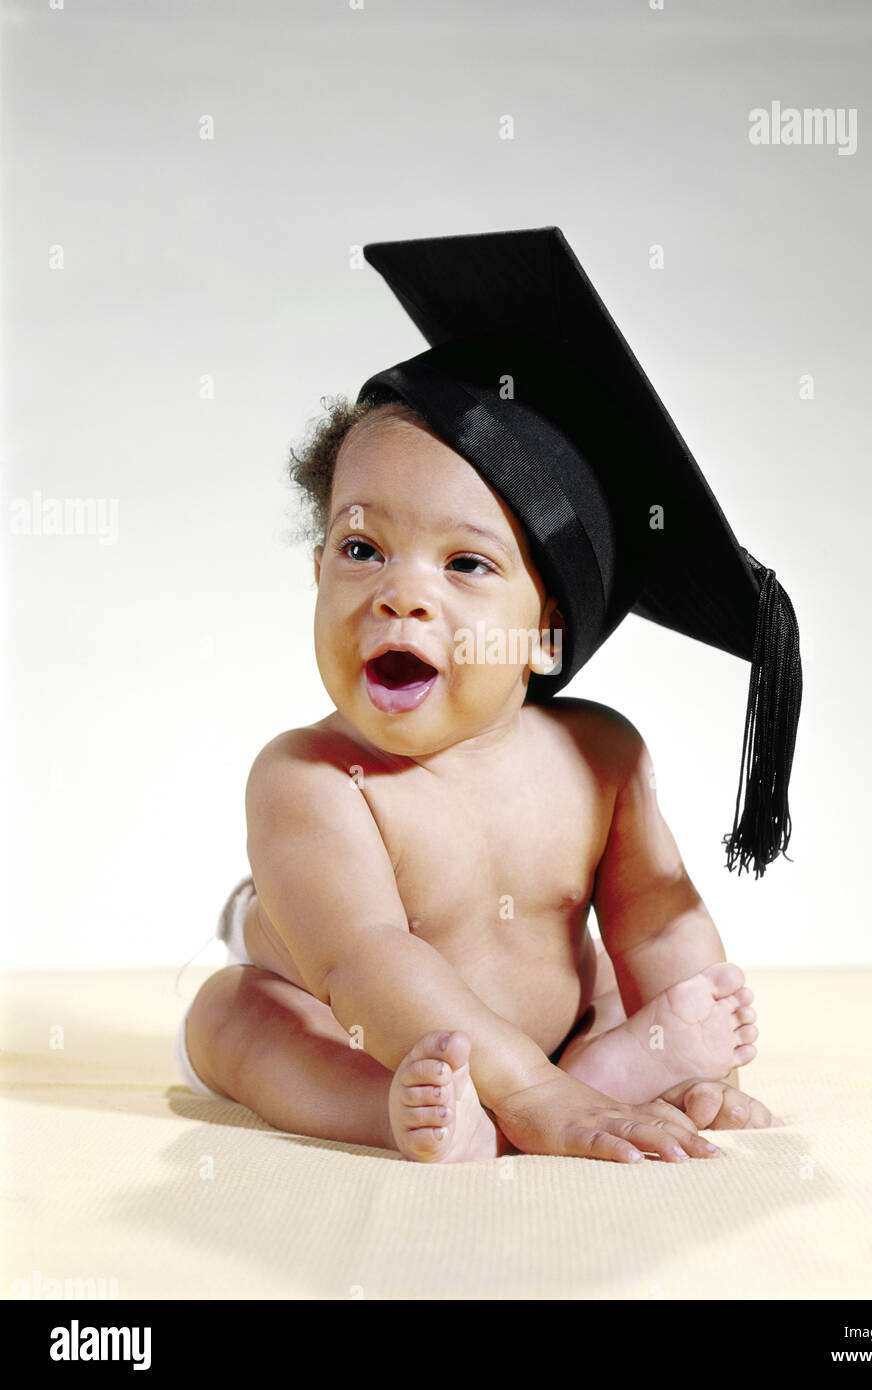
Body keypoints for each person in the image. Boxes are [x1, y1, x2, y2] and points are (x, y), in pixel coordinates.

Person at [174, 228, 802, 1163]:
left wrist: (704, 1059)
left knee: (631, 994)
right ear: (316, 571)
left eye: (465, 562)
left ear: (547, 633)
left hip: (551, 1033)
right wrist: (534, 1092)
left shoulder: (601, 758)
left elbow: (660, 920)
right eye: (361, 549)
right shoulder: (311, 779)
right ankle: (397, 1113)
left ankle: (608, 1071)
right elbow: (365, 963)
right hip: (370, 1036)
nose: (400, 591)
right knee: (232, 1016)